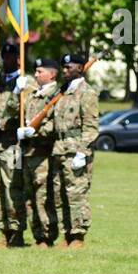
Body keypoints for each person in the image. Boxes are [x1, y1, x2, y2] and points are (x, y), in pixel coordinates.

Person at [50, 52, 99, 249]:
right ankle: (66, 234)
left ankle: (78, 236)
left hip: (76, 150)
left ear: (80, 67)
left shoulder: (87, 93)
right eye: (63, 67)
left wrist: (82, 151)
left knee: (76, 194)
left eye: (69, 67)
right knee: (59, 193)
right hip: (59, 149)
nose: (65, 70)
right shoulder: (62, 92)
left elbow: (91, 127)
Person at [0, 44, 28, 247]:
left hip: (13, 145)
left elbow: (25, 111)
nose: (6, 60)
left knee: (13, 190)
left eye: (10, 56)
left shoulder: (26, 82)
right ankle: (3, 231)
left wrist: (1, 123)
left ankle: (16, 232)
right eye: (4, 56)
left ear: (19, 59)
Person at [17, 58, 61, 248]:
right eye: (35, 71)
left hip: (44, 153)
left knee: (43, 195)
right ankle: (37, 234)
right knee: (30, 197)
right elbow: (18, 113)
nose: (35, 75)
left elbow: (57, 124)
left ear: (52, 74)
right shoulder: (33, 95)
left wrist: (37, 131)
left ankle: (47, 236)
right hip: (28, 152)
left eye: (40, 71)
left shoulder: (58, 95)